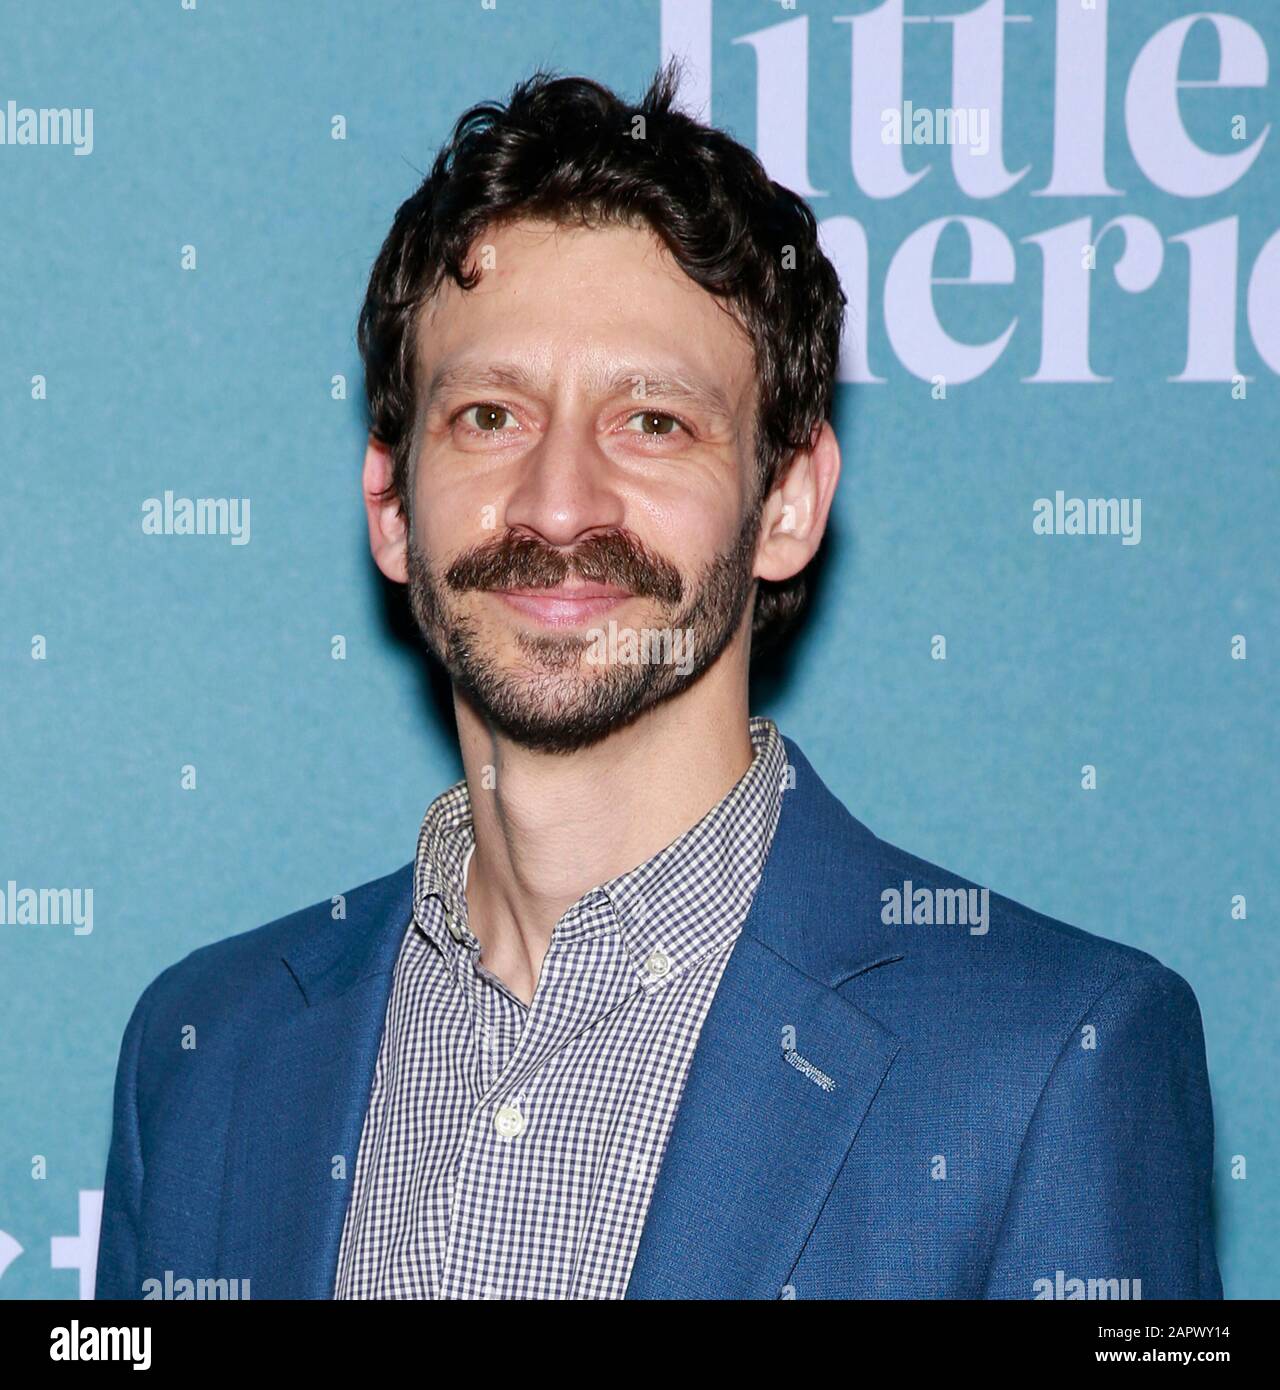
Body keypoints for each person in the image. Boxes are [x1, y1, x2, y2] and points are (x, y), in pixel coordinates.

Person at [96, 61, 1222, 1301]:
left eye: (651, 423)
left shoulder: (1050, 1060)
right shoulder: (204, 1054)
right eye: (486, 415)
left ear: (786, 500)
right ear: (387, 503)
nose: (558, 502)